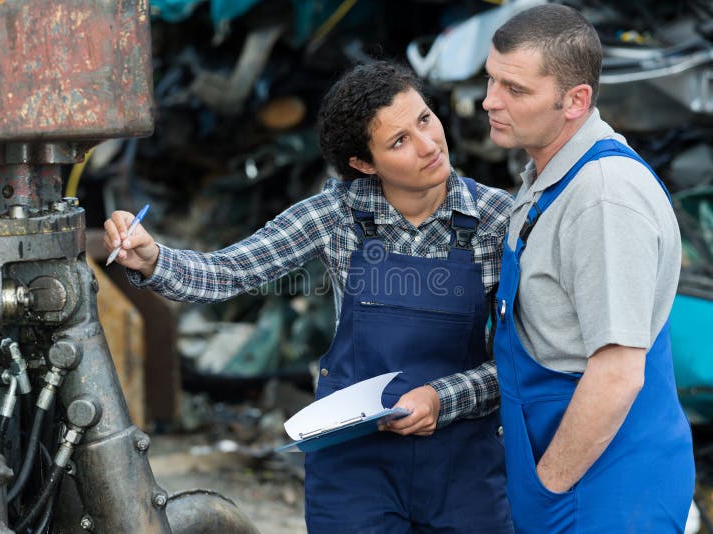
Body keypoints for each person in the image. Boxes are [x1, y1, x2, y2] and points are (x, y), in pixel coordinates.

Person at [105, 61, 514, 533]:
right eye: (398, 141)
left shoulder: (497, 220)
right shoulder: (337, 215)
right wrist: (152, 258)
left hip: (461, 469)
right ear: (364, 164)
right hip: (356, 472)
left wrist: (444, 398)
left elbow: (525, 358)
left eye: (424, 119)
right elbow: (231, 271)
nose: (428, 146)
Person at [482, 5, 695, 533]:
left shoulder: (604, 199)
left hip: (604, 494)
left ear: (576, 100)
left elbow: (618, 374)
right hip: (571, 479)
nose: (489, 101)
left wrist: (548, 485)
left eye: (515, 89)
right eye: (490, 80)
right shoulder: (548, 176)